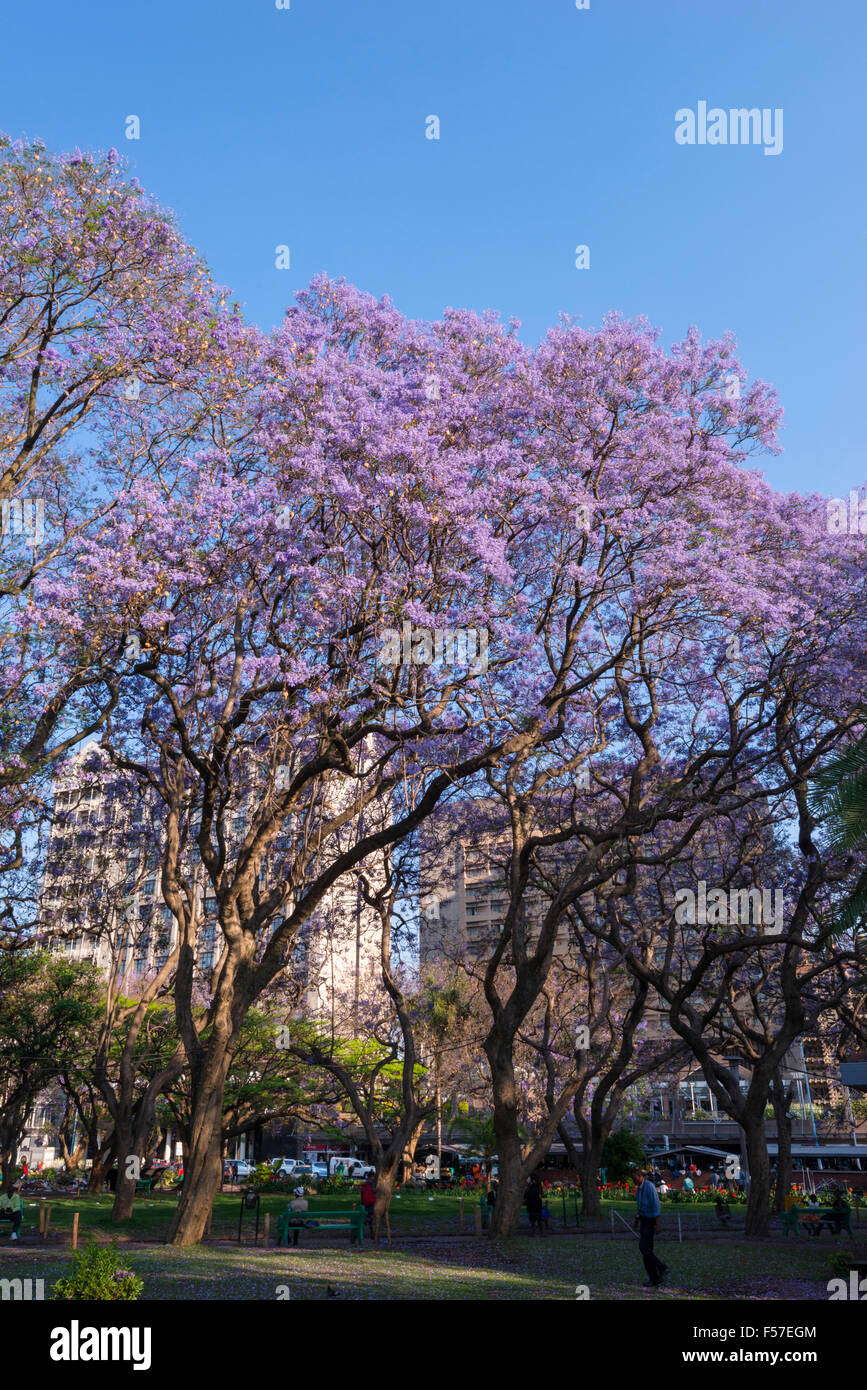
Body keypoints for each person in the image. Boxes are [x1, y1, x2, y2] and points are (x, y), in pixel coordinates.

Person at [633, 1169, 668, 1288]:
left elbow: (655, 1205)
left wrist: (657, 1223)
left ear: (639, 1176)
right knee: (646, 1252)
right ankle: (654, 1278)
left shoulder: (649, 1187)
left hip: (650, 1221)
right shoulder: (639, 1189)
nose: (633, 1180)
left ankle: (662, 1267)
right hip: (643, 1220)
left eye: (634, 1178)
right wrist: (636, 1221)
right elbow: (640, 1207)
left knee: (644, 1248)